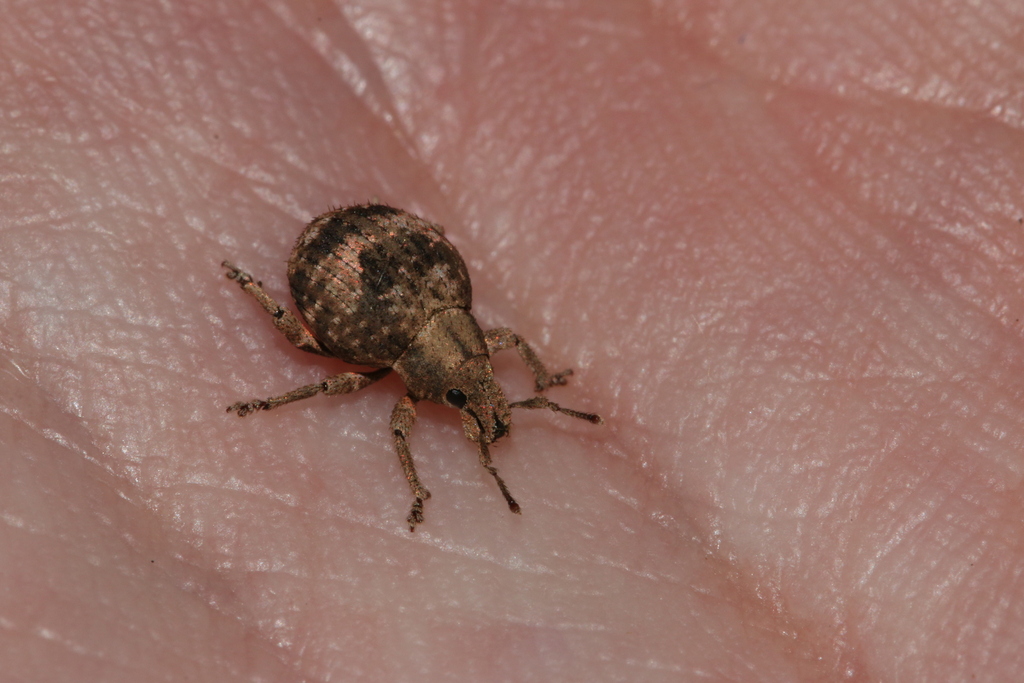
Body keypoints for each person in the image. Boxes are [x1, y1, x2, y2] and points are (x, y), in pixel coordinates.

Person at [2, 2, 1021, 680]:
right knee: (311, 360)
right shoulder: (405, 367)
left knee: (360, 358)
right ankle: (264, 340)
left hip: (380, 255)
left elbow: (505, 350)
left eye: (482, 389)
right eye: (481, 390)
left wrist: (536, 377)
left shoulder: (468, 322)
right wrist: (389, 471)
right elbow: (401, 427)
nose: (482, 400)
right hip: (348, 266)